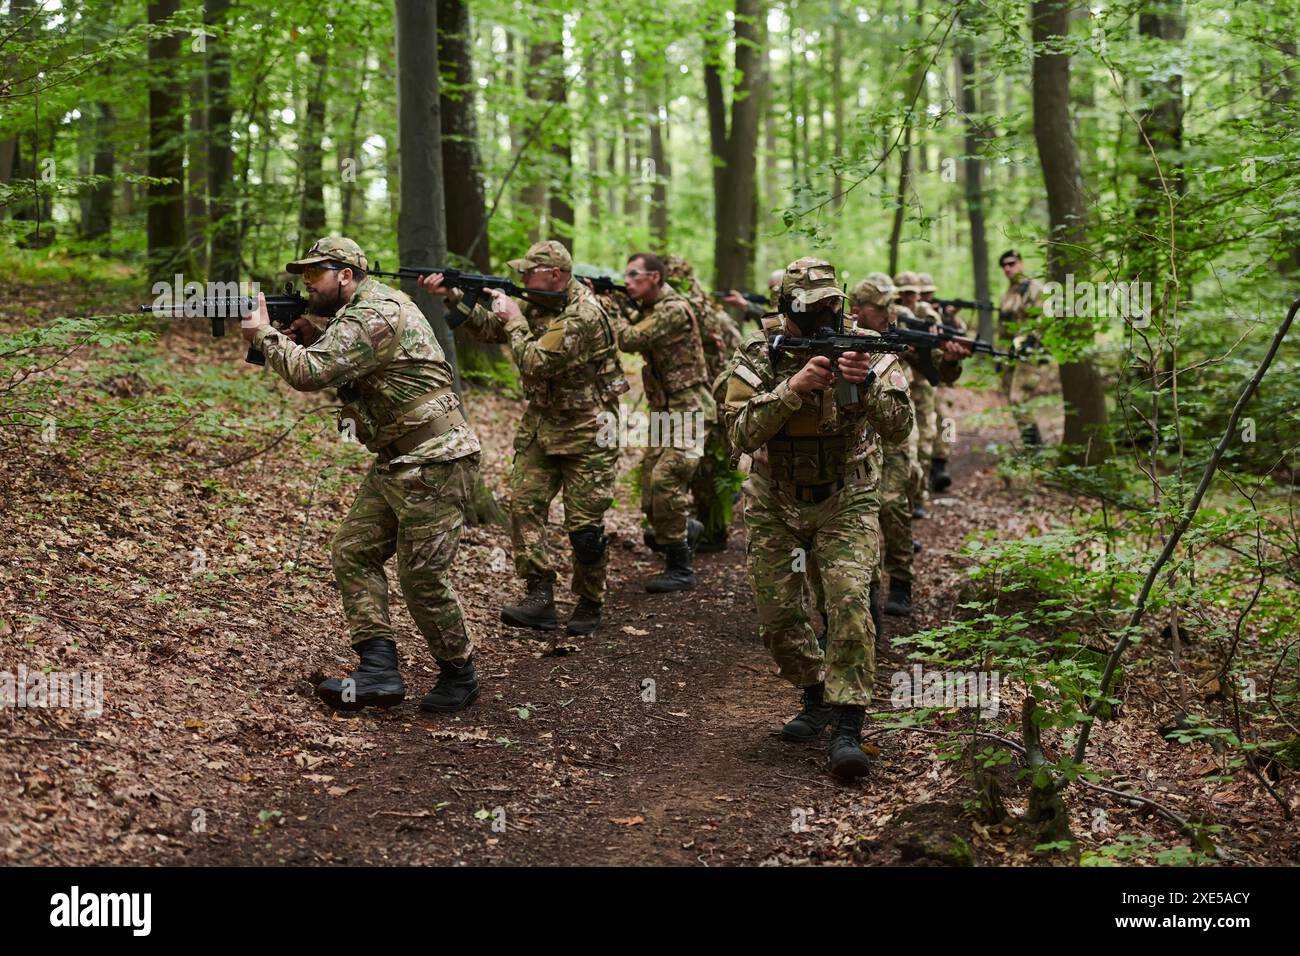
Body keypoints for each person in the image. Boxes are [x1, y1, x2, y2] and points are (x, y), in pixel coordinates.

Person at [242, 236, 483, 714]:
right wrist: (309, 337)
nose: (307, 284)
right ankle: (378, 671)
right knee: (354, 551)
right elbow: (348, 365)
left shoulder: (374, 313)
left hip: (434, 459)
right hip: (399, 459)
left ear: (346, 276)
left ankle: (460, 671)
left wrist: (263, 335)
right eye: (304, 276)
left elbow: (309, 376)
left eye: (316, 275)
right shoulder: (355, 315)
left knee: (421, 577)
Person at [721, 257, 914, 779]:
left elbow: (899, 431)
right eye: (813, 306)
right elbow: (737, 434)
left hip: (846, 495)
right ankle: (815, 697)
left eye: (834, 302)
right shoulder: (760, 351)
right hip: (773, 498)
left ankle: (849, 724)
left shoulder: (867, 348)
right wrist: (793, 388)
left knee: (850, 599)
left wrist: (867, 383)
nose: (826, 314)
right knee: (780, 617)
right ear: (787, 307)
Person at [417, 240, 628, 636]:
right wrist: (454, 296)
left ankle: (590, 598)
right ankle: (539, 594)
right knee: (523, 505)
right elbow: (492, 330)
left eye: (528, 273)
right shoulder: (540, 300)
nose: (521, 279)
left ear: (555, 275)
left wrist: (513, 317)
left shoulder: (584, 313)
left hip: (590, 430)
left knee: (584, 528)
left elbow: (535, 361)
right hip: (543, 426)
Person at [852, 273, 969, 618]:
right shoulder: (843, 332)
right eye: (883, 306)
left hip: (896, 429)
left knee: (893, 503)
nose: (893, 310)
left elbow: (941, 374)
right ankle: (867, 589)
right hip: (855, 435)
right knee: (861, 512)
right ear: (859, 309)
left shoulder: (902, 327)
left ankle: (901, 580)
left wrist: (949, 359)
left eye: (894, 303)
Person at [618, 252, 716, 592]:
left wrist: (604, 307)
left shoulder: (673, 310)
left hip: (689, 409)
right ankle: (684, 529)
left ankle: (681, 567)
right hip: (664, 410)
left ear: (655, 278)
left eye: (634, 275)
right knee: (649, 493)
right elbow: (636, 320)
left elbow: (630, 339)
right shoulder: (654, 308)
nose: (627, 281)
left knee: (665, 480)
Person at [664, 254, 743, 553]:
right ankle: (690, 528)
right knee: (695, 467)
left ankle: (712, 531)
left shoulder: (702, 310)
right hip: (687, 398)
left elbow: (736, 351)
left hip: (711, 397)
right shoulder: (691, 309)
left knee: (710, 468)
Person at [997, 249, 1055, 447]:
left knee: (1018, 399)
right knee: (1011, 398)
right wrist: (1000, 354)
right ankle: (1031, 447)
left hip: (1029, 352)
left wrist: (1032, 339)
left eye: (1011, 264)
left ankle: (1036, 449)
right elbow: (1003, 328)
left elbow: (1046, 317)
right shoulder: (1009, 293)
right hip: (1010, 354)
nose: (1007, 268)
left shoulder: (1034, 288)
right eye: (1004, 265)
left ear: (1021, 263)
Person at [893, 271, 938, 521]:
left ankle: (920, 496)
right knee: (910, 444)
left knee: (926, 437)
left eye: (913, 292)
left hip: (922, 384)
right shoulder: (892, 315)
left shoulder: (923, 313)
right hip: (904, 384)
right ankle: (911, 498)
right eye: (905, 293)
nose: (910, 297)